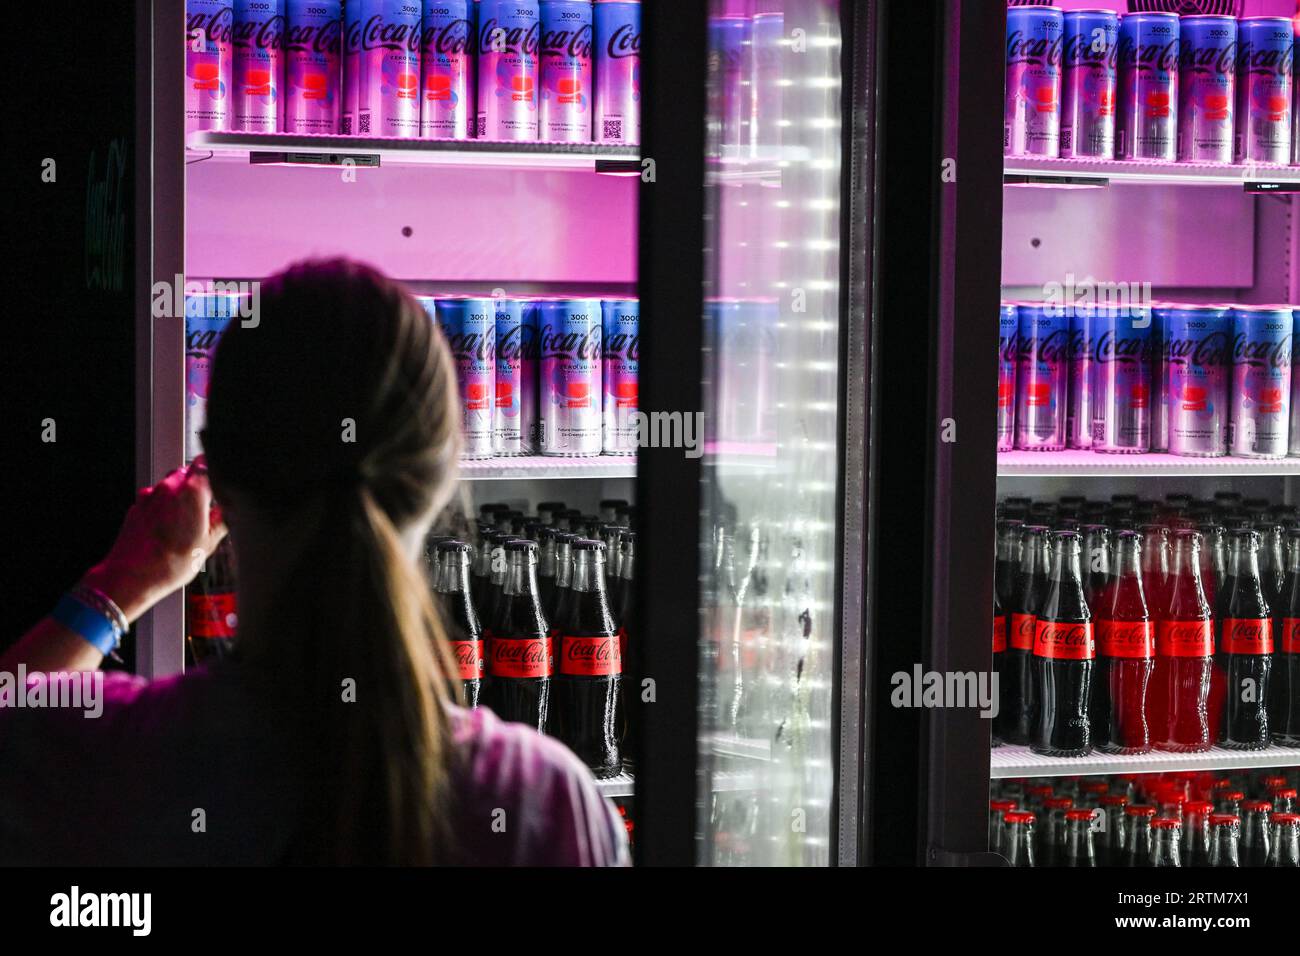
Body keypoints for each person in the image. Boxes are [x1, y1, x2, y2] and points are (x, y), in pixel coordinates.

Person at [0, 259, 628, 867]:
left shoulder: (114, 759)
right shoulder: (545, 801)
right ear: (443, 476)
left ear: (215, 468)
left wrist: (123, 584)